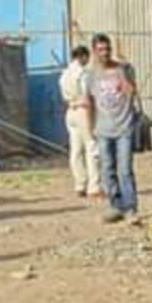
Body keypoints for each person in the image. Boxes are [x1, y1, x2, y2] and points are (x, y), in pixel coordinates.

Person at [81, 33, 141, 224]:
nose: (105, 53)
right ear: (94, 52)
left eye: (107, 49)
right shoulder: (90, 75)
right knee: (107, 170)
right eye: (100, 50)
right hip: (103, 128)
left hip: (123, 127)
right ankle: (116, 206)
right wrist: (90, 127)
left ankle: (130, 208)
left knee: (125, 169)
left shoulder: (122, 69)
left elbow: (132, 91)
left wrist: (123, 74)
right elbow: (89, 101)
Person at [59, 45, 102, 200]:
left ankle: (80, 184)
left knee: (76, 150)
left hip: (71, 110)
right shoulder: (84, 73)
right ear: (83, 56)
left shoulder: (64, 74)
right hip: (84, 110)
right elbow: (87, 94)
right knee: (92, 147)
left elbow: (64, 96)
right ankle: (94, 187)